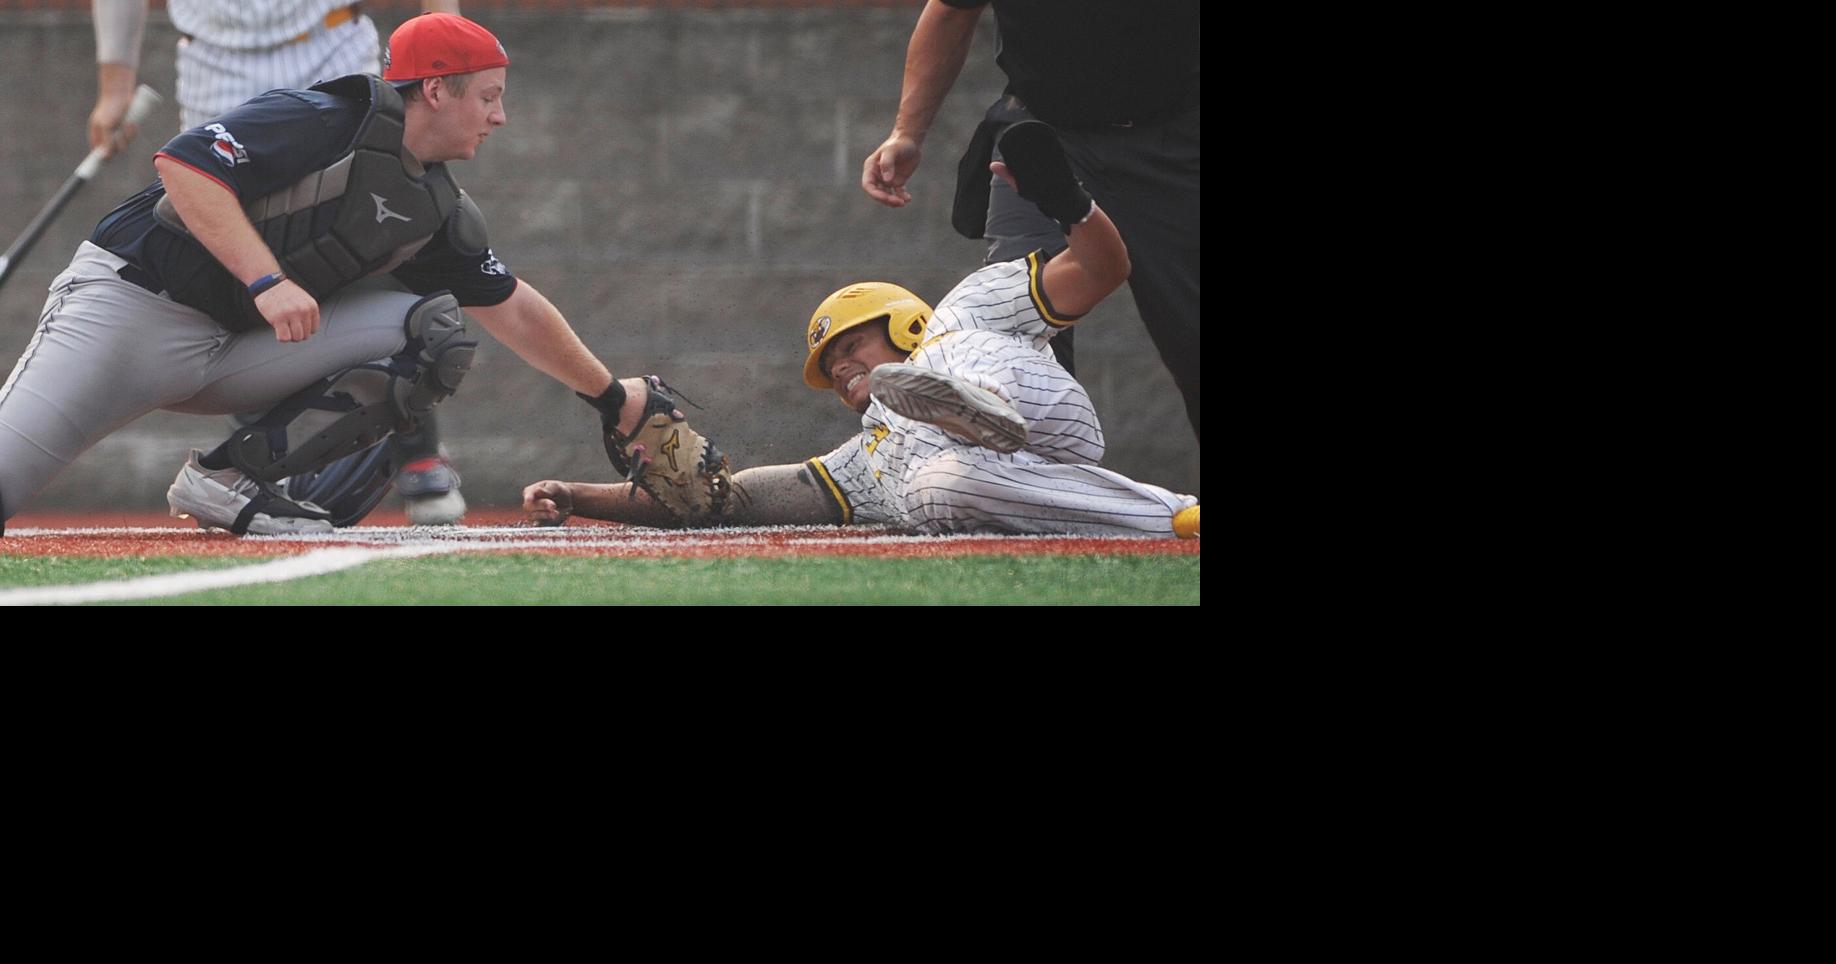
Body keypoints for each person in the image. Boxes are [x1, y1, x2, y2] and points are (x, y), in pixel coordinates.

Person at [1, 13, 717, 537]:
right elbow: (183, 168)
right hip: (131, 314)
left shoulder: (435, 206)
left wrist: (610, 398)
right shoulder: (320, 117)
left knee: (431, 330)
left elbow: (512, 306)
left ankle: (227, 480)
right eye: (489, 96)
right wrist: (267, 281)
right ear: (435, 91)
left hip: (236, 350)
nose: (500, 117)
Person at [525, 122, 1199, 540]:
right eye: (831, 367)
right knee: (935, 489)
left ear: (903, 322)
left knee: (950, 347)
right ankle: (1177, 514)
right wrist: (577, 494)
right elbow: (725, 500)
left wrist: (1068, 205)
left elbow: (1105, 268)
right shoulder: (869, 459)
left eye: (850, 346)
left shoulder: (967, 306)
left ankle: (973, 402)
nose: (841, 368)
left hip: (1048, 417)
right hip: (1029, 478)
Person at [88, 0, 470, 524]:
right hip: (214, 63)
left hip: (329, 44)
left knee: (374, 224)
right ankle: (261, 458)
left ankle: (415, 447)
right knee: (234, 253)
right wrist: (114, 85)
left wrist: (449, 54)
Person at [860, 0, 1201, 442]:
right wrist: (907, 132)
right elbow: (950, 12)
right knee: (1015, 316)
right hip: (1043, 133)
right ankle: (1014, 461)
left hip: (1174, 138)